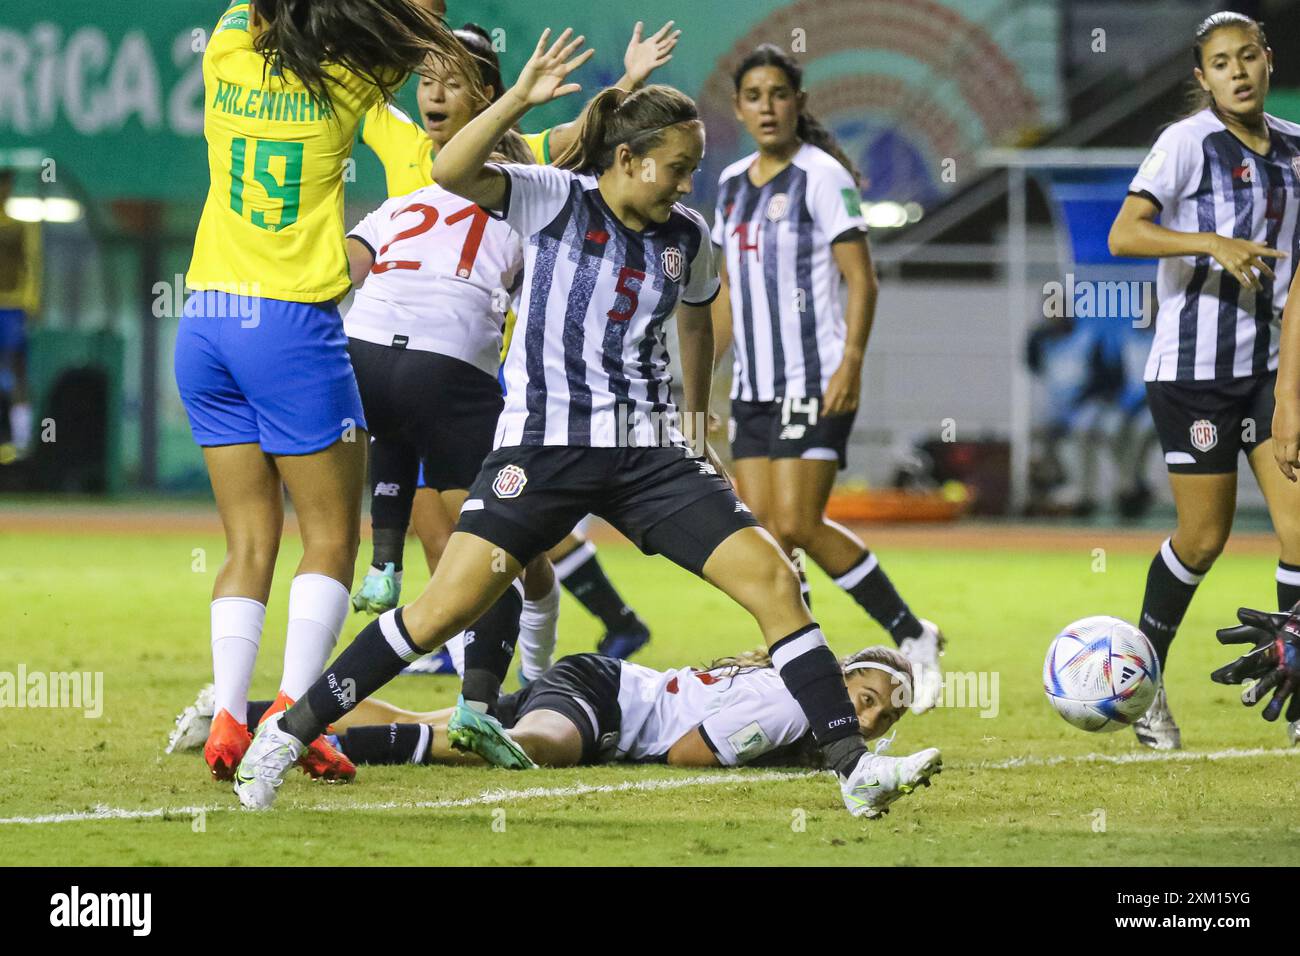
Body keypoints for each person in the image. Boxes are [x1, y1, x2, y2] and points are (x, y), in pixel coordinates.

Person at [233, 28, 941, 818]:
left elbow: (701, 318)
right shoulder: (552, 197)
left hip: (647, 458)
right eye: (677, 168)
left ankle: (854, 771)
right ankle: (284, 737)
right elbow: (450, 169)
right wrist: (520, 98)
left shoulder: (688, 237)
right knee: (440, 611)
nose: (686, 183)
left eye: (694, 169)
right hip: (545, 449)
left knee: (777, 581)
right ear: (630, 158)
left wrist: (698, 423)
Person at [173, 0, 474, 781]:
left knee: (247, 542)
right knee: (333, 540)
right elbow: (423, 30)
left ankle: (229, 723)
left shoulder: (227, 50)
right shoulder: (351, 78)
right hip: (288, 328)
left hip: (203, 321)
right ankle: (295, 716)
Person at [351, 19, 681, 661]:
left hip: (485, 364)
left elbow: (590, 135)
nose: (434, 95)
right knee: (437, 518)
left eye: (454, 82)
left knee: (509, 529)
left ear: (491, 93)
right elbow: (353, 80)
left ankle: (544, 652)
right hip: (406, 353)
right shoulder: (397, 137)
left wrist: (631, 79)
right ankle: (456, 642)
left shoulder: (520, 155)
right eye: (427, 80)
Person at [710, 44, 944, 711]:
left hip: (815, 375)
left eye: (778, 94)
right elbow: (727, 293)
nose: (766, 107)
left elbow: (861, 278)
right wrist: (701, 385)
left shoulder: (820, 176)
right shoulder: (729, 186)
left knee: (798, 521)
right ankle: (799, 655)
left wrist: (851, 363)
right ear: (738, 107)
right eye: (753, 96)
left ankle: (912, 632)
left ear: (798, 102)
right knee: (765, 528)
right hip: (755, 385)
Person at [1108, 10, 1300, 749]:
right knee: (1203, 537)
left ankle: (1294, 689)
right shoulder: (1185, 144)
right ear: (1203, 78)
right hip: (1192, 376)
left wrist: (1288, 397)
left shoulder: (1294, 151)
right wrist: (1208, 243)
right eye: (1221, 63)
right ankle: (1143, 687)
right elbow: (1126, 233)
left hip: (1269, 373)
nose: (1238, 71)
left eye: (1247, 56)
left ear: (1268, 59)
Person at [173, 645, 936, 816]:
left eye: (883, 715)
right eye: (863, 698)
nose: (866, 719)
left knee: (432, 720)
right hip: (602, 706)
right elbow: (684, 753)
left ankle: (245, 717)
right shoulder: (794, 707)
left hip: (600, 680)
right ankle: (303, 738)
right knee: (527, 751)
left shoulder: (797, 693)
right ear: (837, 682)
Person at [0, 168, 40, 460]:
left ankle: (21, 439)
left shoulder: (20, 226)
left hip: (12, 306)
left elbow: (32, 265)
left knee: (17, 369)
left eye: (7, 183)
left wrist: (31, 302)